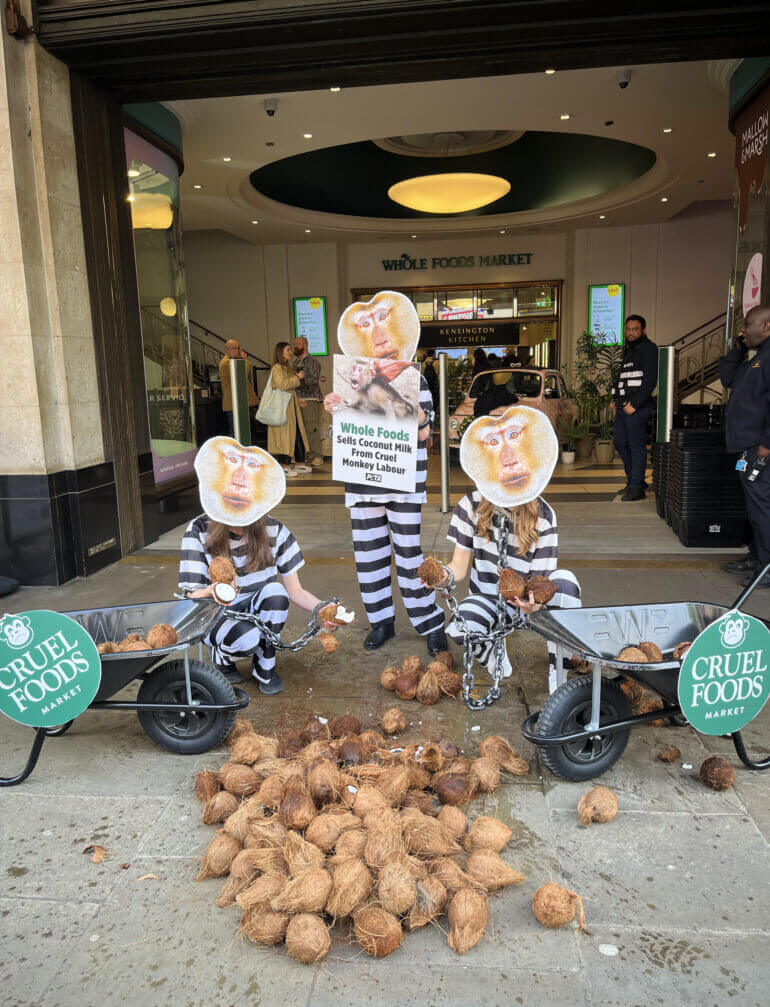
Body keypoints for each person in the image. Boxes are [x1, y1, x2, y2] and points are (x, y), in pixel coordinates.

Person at [326, 291, 447, 655]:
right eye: (368, 329)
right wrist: (337, 412)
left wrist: (409, 405)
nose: (380, 340)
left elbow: (426, 433)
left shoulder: (418, 381)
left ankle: (430, 623)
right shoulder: (350, 382)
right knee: (369, 556)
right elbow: (340, 438)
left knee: (410, 554)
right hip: (363, 482)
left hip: (405, 482)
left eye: (385, 327)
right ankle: (381, 621)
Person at [179, 441, 339, 695]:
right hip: (216, 613)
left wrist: (324, 610)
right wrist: (214, 590)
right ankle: (222, 657)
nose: (240, 483)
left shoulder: (274, 530)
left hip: (256, 608)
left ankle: (264, 665)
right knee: (246, 639)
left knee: (276, 592)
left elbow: (295, 591)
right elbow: (191, 595)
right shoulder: (198, 530)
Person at [436, 492, 581, 693]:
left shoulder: (544, 515)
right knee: (460, 626)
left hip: (530, 604)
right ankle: (494, 652)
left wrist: (534, 606)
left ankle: (560, 680)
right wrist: (443, 575)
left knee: (566, 583)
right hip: (489, 599)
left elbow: (541, 583)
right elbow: (458, 567)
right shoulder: (470, 504)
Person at [718, 303, 770, 589]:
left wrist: (766, 445)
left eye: (747, 324)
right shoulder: (758, 357)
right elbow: (729, 378)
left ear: (766, 326)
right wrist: (739, 347)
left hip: (759, 449)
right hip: (746, 448)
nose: (742, 329)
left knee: (762, 507)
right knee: (754, 507)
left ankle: (767, 566)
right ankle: (758, 556)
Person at [612, 314, 658, 501]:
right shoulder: (628, 350)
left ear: (643, 330)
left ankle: (637, 488)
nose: (631, 332)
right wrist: (615, 398)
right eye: (628, 329)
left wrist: (635, 404)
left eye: (635, 329)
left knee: (636, 446)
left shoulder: (649, 348)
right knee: (620, 443)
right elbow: (622, 377)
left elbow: (650, 381)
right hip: (622, 405)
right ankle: (633, 481)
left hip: (636, 407)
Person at [268, 342, 311, 477]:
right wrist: (297, 378)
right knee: (285, 437)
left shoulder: (286, 368)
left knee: (297, 434)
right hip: (283, 410)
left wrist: (297, 402)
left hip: (290, 408)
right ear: (281, 352)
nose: (290, 352)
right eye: (288, 350)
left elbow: (288, 389)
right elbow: (282, 385)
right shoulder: (277, 368)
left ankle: (299, 463)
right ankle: (283, 466)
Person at [292, 336, 325, 469]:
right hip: (297, 398)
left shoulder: (313, 361)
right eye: (294, 344)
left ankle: (318, 455)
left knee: (311, 428)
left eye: (298, 343)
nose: (295, 346)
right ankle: (307, 454)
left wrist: (297, 382)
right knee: (301, 429)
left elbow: (313, 380)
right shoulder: (294, 363)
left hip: (310, 398)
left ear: (305, 344)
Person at [219, 339, 259, 437]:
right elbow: (241, 375)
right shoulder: (226, 363)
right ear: (230, 349)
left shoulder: (232, 361)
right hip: (234, 404)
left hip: (239, 403)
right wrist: (244, 360)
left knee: (242, 433)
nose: (241, 351)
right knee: (235, 433)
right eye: (239, 348)